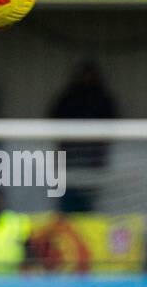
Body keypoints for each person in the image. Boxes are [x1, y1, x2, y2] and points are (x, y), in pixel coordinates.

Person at [49, 61, 118, 212]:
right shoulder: (68, 98)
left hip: (91, 161)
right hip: (69, 160)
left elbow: (112, 124)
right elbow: (54, 118)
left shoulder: (102, 100)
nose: (87, 78)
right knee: (67, 200)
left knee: (88, 204)